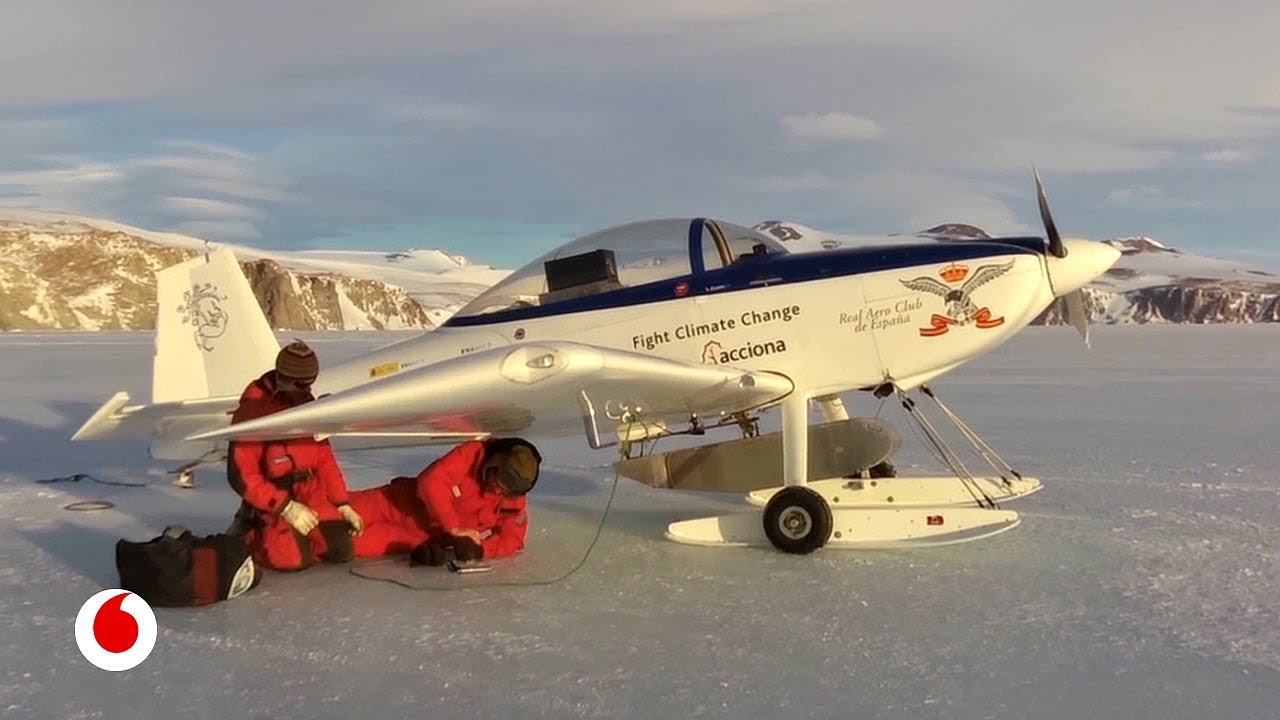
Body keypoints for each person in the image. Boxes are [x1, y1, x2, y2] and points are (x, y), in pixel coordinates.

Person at [225, 340, 365, 571]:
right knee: (292, 560)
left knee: (342, 550)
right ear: (286, 378)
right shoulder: (252, 413)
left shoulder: (304, 401)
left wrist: (341, 503)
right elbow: (241, 476)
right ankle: (251, 534)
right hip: (274, 498)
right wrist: (286, 508)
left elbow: (324, 457)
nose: (307, 390)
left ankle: (295, 538)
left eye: (310, 384)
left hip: (309, 492)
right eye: (302, 384)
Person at [347, 437, 541, 565]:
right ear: (494, 465)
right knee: (334, 513)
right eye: (497, 482)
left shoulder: (513, 498)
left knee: (349, 545)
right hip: (392, 503)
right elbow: (431, 482)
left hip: (412, 537)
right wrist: (454, 527)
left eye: (505, 491)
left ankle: (317, 549)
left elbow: (512, 539)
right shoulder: (472, 454)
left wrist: (480, 549)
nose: (498, 490)